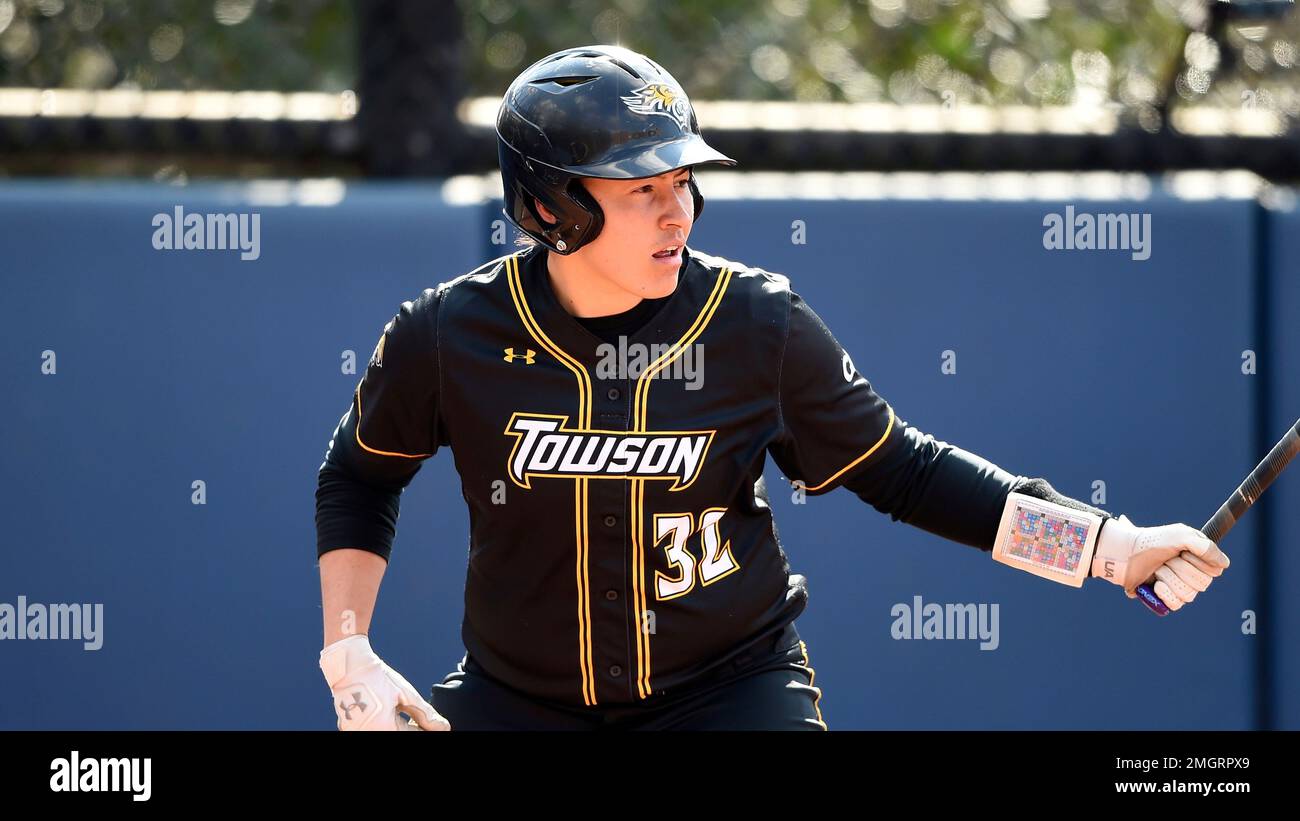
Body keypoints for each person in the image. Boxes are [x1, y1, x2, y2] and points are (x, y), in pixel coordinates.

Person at [313, 45, 1231, 731]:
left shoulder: (756, 323)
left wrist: (1111, 548)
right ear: (549, 205)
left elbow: (903, 471)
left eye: (684, 180)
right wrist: (349, 648)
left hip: (729, 692)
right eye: (641, 189)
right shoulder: (448, 333)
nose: (680, 210)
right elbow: (357, 476)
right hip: (519, 701)